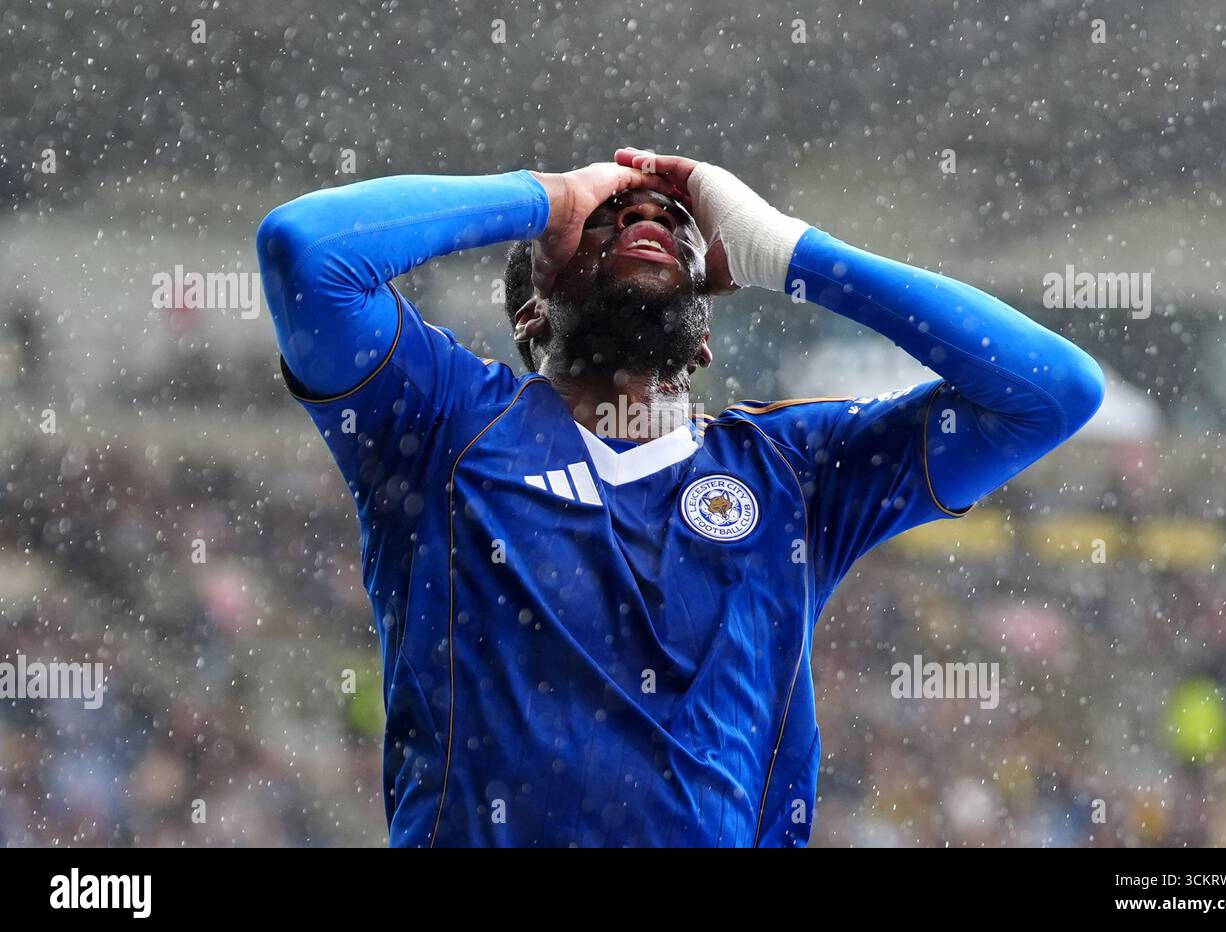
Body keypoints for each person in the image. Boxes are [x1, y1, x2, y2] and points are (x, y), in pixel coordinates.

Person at [255, 148, 1104, 847]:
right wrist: (544, 198)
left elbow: (1057, 391)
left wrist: (788, 253)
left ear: (703, 340)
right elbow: (306, 252)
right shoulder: (442, 421)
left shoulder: (797, 471)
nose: (643, 217)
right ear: (528, 314)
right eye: (605, 220)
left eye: (674, 222)